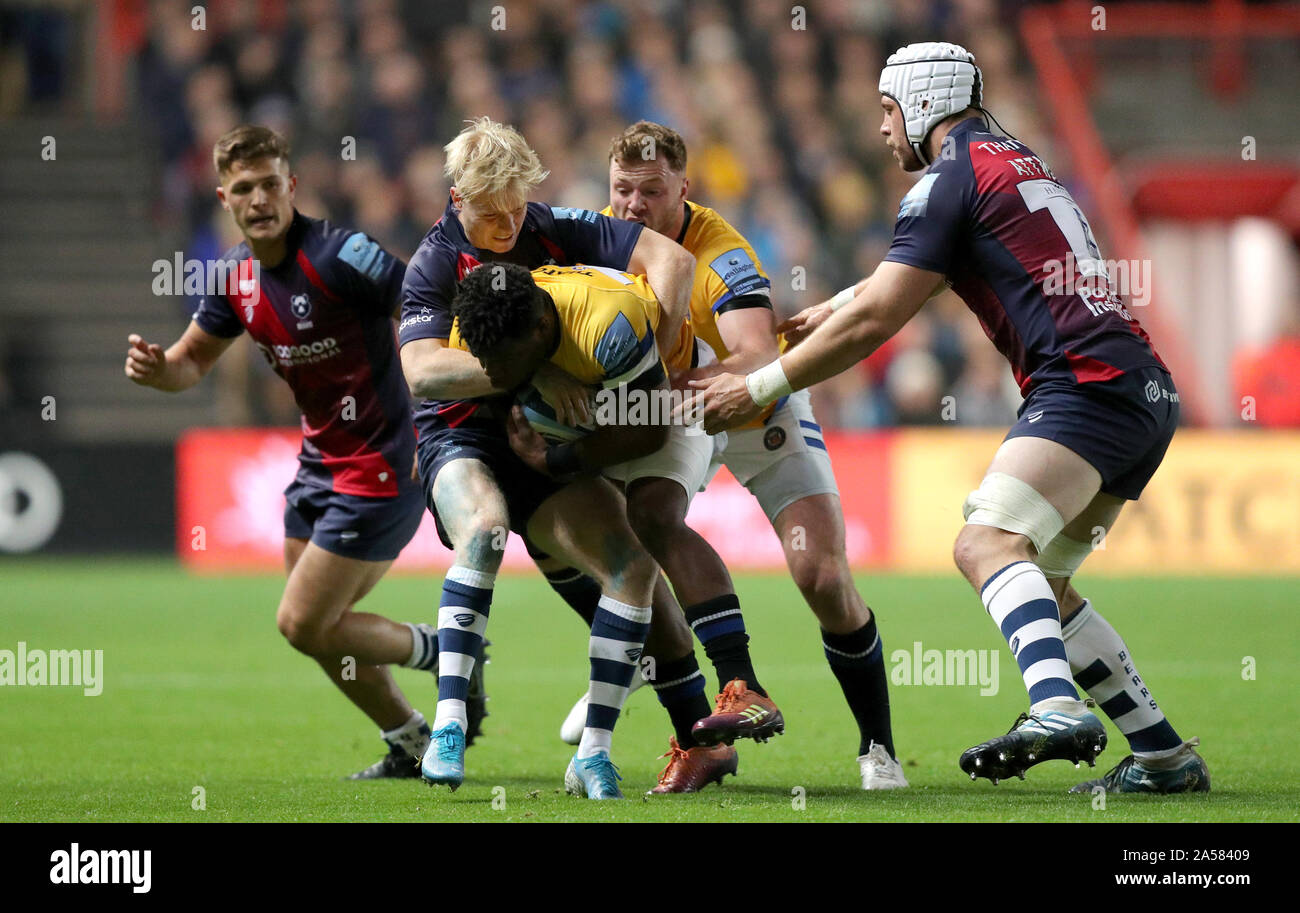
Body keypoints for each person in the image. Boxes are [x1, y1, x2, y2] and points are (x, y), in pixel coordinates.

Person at [692, 42, 1209, 794]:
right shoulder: (1014, 160)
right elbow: (925, 276)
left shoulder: (949, 177)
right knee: (1044, 582)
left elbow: (882, 318)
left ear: (922, 103)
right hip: (1139, 389)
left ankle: (1055, 704)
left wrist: (761, 382)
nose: (881, 129)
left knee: (985, 542)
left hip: (1083, 385)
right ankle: (1163, 756)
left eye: (887, 110)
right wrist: (839, 302)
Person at [400, 117, 725, 793]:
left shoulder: (547, 223)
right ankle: (450, 723)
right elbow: (424, 373)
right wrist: (533, 365)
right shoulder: (434, 262)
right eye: (493, 213)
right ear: (457, 199)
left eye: (519, 206)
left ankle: (617, 750)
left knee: (633, 568)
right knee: (485, 531)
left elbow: (672, 261)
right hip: (462, 436)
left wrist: (648, 367)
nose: (511, 225)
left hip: (548, 443)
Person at [124, 124, 453, 781]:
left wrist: (440, 416)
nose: (258, 198)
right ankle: (410, 737)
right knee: (324, 630)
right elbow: (191, 362)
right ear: (224, 197)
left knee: (303, 622)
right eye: (242, 188)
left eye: (269, 183)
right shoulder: (233, 278)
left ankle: (448, 652)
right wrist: (158, 368)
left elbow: (424, 310)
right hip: (316, 468)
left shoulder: (341, 255)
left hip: (386, 460)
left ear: (291, 186)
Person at [593, 121, 904, 791]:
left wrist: (677, 389)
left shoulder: (722, 252)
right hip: (678, 416)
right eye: (622, 190)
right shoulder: (599, 241)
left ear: (685, 186)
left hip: (755, 409)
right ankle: (729, 689)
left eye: (651, 191)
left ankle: (879, 747)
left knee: (822, 576)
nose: (633, 206)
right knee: (641, 521)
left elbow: (760, 354)